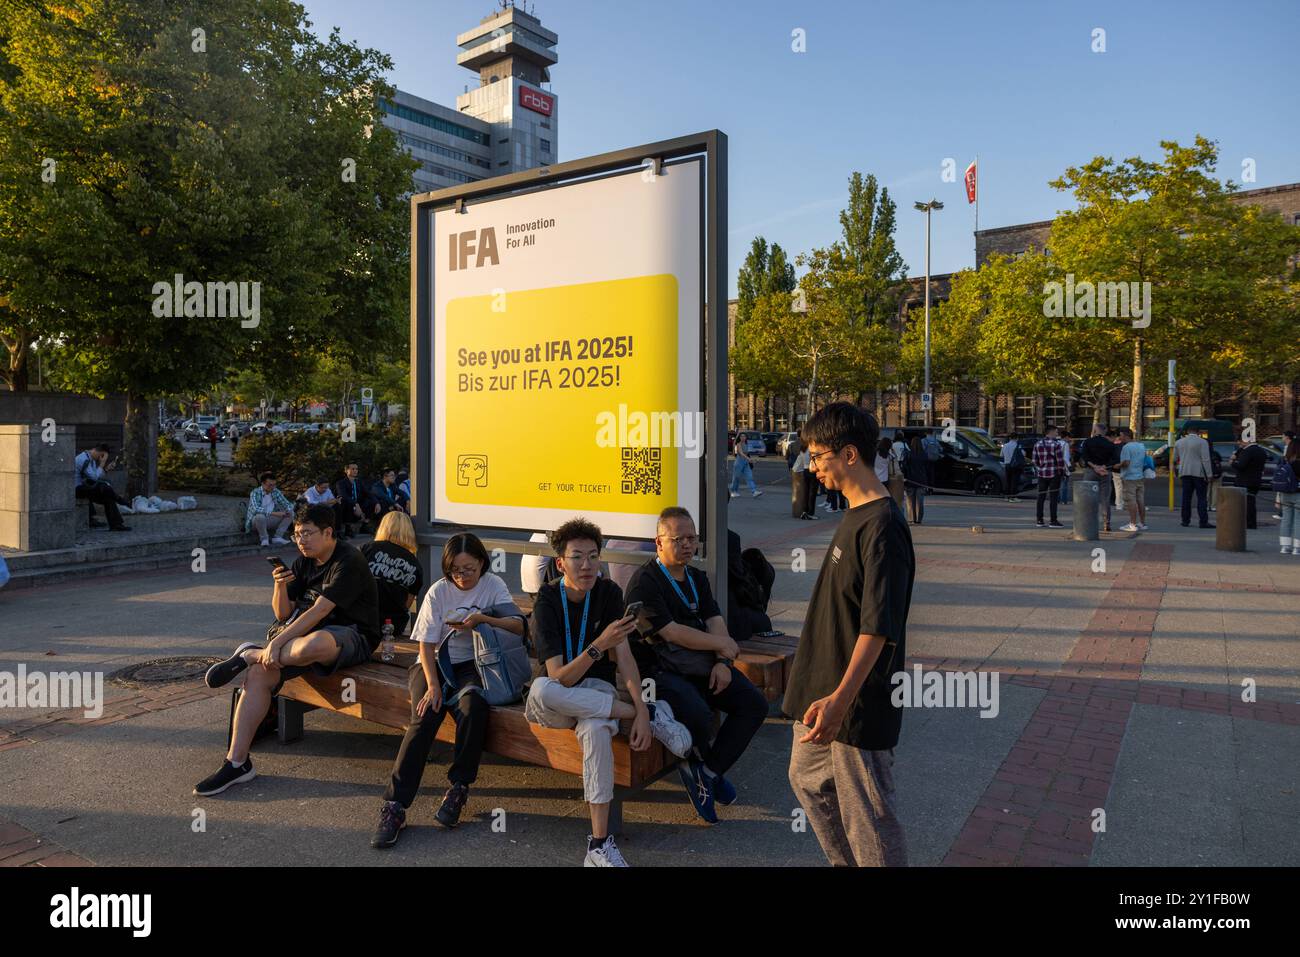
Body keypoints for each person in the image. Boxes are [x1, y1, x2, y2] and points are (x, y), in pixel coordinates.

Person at [786, 401, 913, 867]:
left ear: (851, 454)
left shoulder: (882, 526)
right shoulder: (854, 513)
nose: (813, 467)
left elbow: (877, 628)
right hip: (821, 692)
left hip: (856, 701)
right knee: (807, 781)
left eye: (819, 456)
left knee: (869, 817)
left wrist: (840, 701)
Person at [524, 518, 693, 866]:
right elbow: (560, 677)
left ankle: (598, 845)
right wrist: (639, 712)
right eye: (576, 557)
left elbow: (626, 658)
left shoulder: (610, 593)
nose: (586, 566)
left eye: (593, 556)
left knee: (597, 728)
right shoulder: (547, 599)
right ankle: (651, 713)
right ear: (560, 563)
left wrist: (639, 704)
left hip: (597, 692)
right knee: (541, 689)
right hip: (557, 698)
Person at [197, 504, 381, 796]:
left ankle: (249, 654)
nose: (301, 541)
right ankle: (237, 763)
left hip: (353, 637)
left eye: (307, 534)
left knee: (316, 642)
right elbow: (283, 614)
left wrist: (276, 644)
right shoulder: (304, 562)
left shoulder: (349, 560)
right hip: (300, 641)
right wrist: (279, 587)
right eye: (297, 534)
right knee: (259, 674)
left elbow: (320, 611)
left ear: (328, 533)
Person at [370, 533, 526, 845]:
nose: (463, 577)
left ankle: (459, 787)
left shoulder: (493, 585)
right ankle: (395, 805)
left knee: (473, 707)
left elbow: (519, 626)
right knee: (426, 713)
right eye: (456, 570)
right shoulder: (438, 592)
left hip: (473, 664)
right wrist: (432, 687)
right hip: (433, 663)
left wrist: (481, 619)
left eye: (469, 569)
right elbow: (426, 647)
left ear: (482, 562)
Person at [624, 507, 768, 825]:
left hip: (698, 663)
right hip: (656, 672)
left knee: (754, 704)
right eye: (679, 539)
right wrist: (721, 646)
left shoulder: (696, 577)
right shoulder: (644, 583)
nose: (688, 544)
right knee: (699, 714)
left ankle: (707, 773)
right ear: (659, 542)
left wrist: (722, 662)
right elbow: (671, 632)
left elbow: (716, 621)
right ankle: (702, 769)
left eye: (692, 538)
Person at [361, 511, 423, 635]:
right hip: (393, 625)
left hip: (363, 619)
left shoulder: (368, 548)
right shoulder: (415, 563)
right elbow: (407, 604)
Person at [73, 444, 130, 531]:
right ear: (101, 453)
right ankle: (119, 499)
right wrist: (102, 463)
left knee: (108, 496)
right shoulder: (84, 459)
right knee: (105, 487)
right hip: (76, 489)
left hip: (85, 487)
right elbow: (94, 477)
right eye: (103, 456)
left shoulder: (89, 459)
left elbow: (95, 476)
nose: (101, 458)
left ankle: (116, 525)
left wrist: (106, 469)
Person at [1079, 424, 1118, 531]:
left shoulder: (1087, 442)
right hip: (1105, 472)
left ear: (1095, 430)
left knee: (1087, 498)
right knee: (1105, 499)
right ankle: (1106, 523)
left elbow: (1085, 457)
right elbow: (1114, 459)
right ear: (1104, 431)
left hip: (1090, 471)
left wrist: (1095, 467)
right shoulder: (1110, 444)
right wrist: (1103, 467)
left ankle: (1086, 522)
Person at [1174, 428, 1214, 529]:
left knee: (1186, 497)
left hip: (1184, 471)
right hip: (1199, 472)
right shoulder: (1202, 442)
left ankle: (1185, 520)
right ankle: (1203, 521)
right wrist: (1209, 474)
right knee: (1201, 498)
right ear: (1198, 432)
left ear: (1187, 432)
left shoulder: (1179, 442)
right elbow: (1206, 459)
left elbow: (1174, 458)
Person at [1229, 430, 1267, 530]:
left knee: (1244, 505)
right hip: (1256, 480)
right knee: (1251, 503)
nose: (1238, 443)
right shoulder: (1261, 450)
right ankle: (1251, 523)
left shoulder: (1248, 451)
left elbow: (1241, 466)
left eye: (1240, 441)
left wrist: (1232, 462)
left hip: (1244, 481)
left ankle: (1247, 523)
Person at [244, 472, 294, 546]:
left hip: (270, 520)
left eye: (274, 484)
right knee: (259, 516)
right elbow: (256, 509)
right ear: (263, 484)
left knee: (291, 513)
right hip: (256, 522)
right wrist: (276, 513)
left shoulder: (276, 491)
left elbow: (287, 504)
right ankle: (264, 539)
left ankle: (277, 537)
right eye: (270, 485)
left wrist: (288, 510)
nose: (273, 487)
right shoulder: (255, 492)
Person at [1032, 426, 1066, 528]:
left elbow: (1034, 460)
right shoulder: (1056, 444)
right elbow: (1060, 461)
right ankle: (1053, 520)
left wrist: (1040, 468)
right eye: (1056, 432)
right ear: (1050, 433)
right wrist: (1062, 471)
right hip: (1054, 473)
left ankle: (1039, 520)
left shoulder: (1037, 444)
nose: (1057, 434)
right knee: (1053, 498)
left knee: (1041, 497)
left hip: (1042, 474)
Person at [1116, 428, 1147, 532]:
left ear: (1125, 436)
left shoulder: (1126, 447)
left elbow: (1126, 463)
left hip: (1129, 477)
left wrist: (1118, 465)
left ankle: (1132, 524)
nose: (1119, 438)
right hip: (1139, 476)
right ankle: (1142, 523)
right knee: (1140, 500)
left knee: (1131, 501)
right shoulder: (1141, 446)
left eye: (1120, 435)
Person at [1273, 438, 1299, 555]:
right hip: (1298, 493)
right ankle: (1297, 548)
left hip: (1285, 493)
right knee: (1298, 520)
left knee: (1286, 520)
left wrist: (1278, 498)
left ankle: (1285, 546)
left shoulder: (1285, 461)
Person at [335, 463, 368, 537]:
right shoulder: (340, 483)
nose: (355, 471)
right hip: (348, 505)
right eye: (353, 469)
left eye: (356, 469)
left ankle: (365, 526)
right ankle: (344, 529)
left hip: (358, 505)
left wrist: (376, 503)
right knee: (342, 501)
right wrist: (355, 504)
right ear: (346, 471)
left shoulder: (359, 482)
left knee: (371, 501)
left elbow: (367, 493)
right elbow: (343, 495)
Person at [901, 435, 929, 525]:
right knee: (919, 501)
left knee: (910, 501)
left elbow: (904, 467)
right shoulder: (924, 455)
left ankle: (911, 518)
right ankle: (918, 519)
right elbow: (927, 468)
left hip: (910, 480)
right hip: (921, 480)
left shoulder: (908, 454)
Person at [792, 441, 818, 520]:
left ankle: (804, 511)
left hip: (805, 471)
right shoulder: (812, 449)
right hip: (813, 471)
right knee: (812, 493)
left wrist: (795, 470)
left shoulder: (802, 449)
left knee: (806, 492)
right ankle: (810, 513)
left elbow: (799, 461)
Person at [1002, 432, 1025, 503]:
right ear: (1017, 438)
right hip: (1015, 465)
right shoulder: (1017, 445)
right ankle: (1013, 497)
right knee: (1014, 481)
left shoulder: (1005, 445)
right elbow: (1023, 454)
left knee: (1007, 481)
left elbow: (1001, 455)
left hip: (1007, 465)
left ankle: (1006, 496)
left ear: (1010, 438)